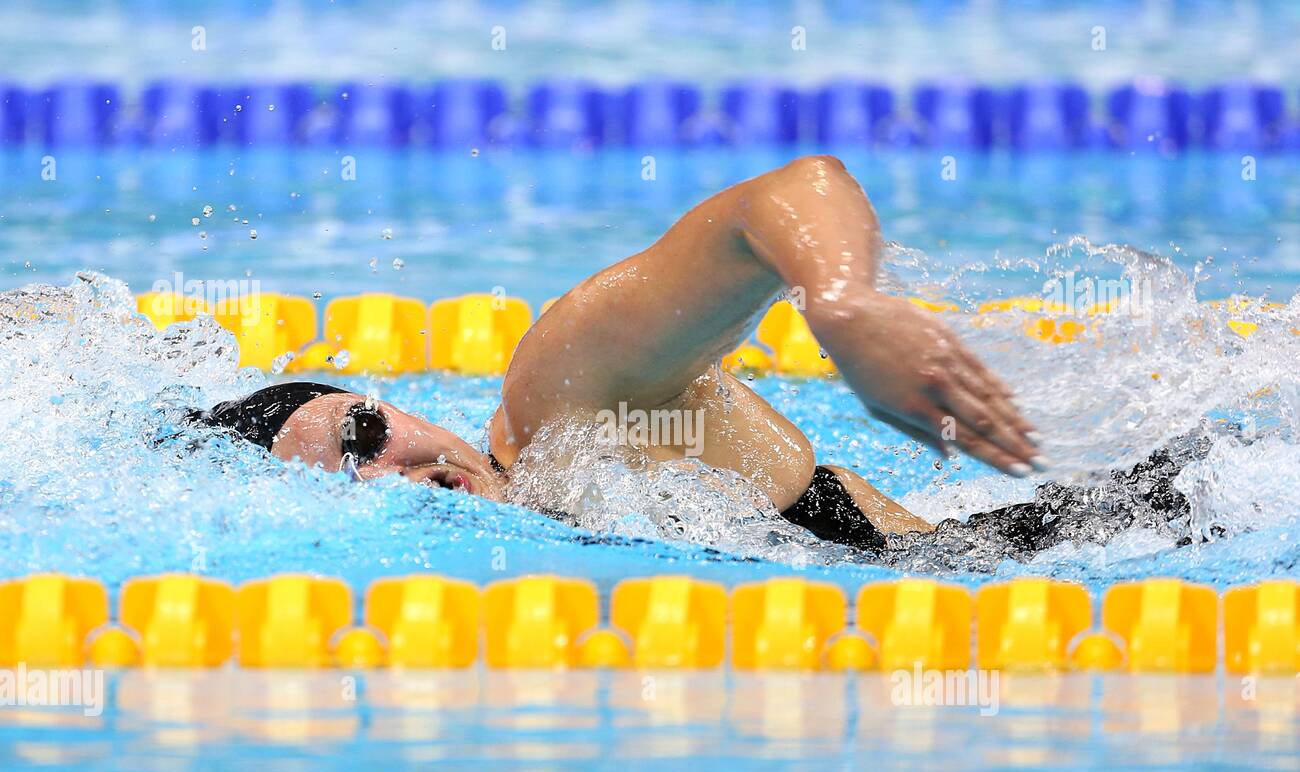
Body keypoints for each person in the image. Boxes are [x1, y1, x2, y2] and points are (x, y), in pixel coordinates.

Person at [198, 156, 1055, 555]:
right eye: (345, 483)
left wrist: (843, 304)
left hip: (1083, 543)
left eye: (363, 434)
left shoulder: (561, 405)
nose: (385, 473)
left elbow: (787, 196)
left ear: (396, 402)